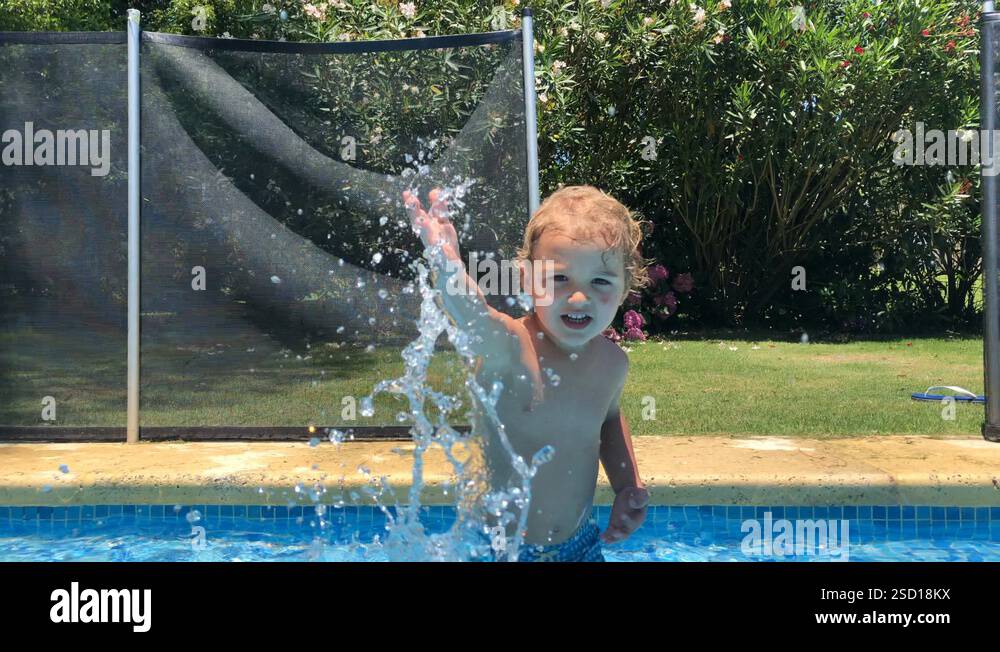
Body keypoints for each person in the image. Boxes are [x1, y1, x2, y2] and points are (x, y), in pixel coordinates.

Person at [403, 184, 650, 562]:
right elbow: (472, 317)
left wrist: (626, 486)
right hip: (502, 549)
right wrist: (446, 263)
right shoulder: (512, 347)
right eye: (559, 279)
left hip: (579, 545)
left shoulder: (612, 362)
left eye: (600, 281)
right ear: (527, 279)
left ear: (625, 288)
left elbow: (608, 420)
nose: (578, 297)